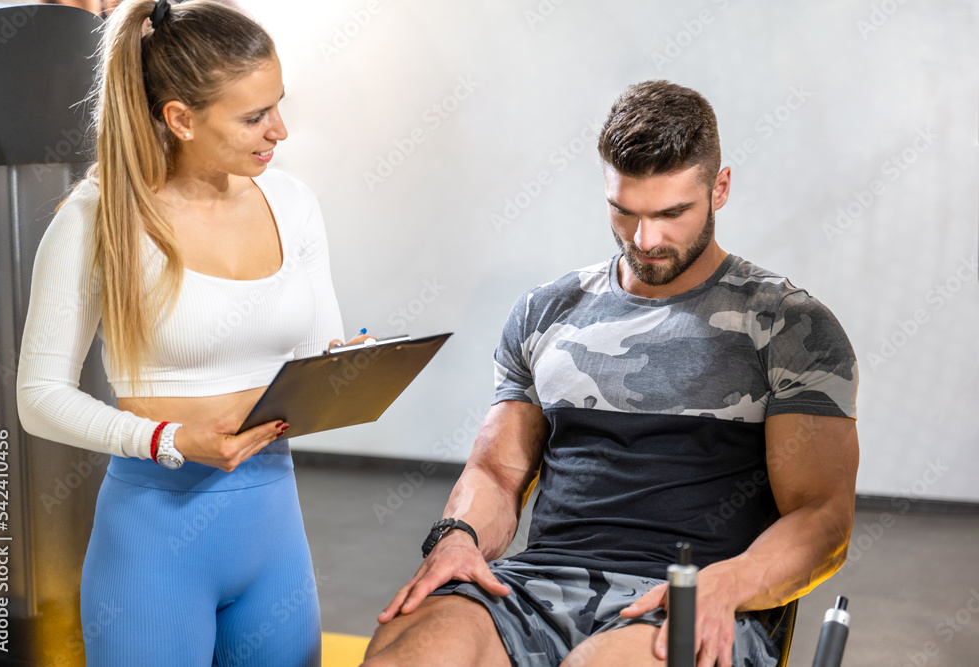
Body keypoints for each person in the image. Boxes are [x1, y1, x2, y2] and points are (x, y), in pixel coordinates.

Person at [362, 80, 860, 667]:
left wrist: (732, 583)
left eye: (672, 213)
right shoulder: (544, 312)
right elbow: (496, 473)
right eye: (625, 213)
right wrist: (458, 537)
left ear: (719, 187)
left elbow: (822, 516)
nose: (645, 240)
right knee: (410, 649)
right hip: (540, 584)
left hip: (694, 596)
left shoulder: (789, 325)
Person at [15, 1, 363, 664]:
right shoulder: (98, 218)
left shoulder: (292, 202)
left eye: (278, 105)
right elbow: (37, 396)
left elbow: (322, 351)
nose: (280, 130)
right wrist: (167, 438)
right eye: (255, 116)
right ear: (180, 118)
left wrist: (351, 369)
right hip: (152, 543)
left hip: (274, 536)